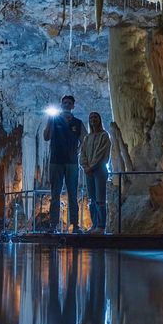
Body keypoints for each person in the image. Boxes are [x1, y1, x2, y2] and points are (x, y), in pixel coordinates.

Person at [43, 94, 85, 232]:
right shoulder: (54, 120)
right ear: (62, 105)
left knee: (73, 194)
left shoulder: (78, 123)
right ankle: (53, 225)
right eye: (64, 103)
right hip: (56, 161)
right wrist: (50, 120)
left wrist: (77, 151)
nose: (66, 105)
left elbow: (84, 139)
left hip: (72, 162)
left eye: (69, 103)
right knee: (55, 194)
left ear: (73, 106)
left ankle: (75, 225)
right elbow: (46, 137)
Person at [78, 112, 111, 233]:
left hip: (100, 170)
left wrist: (91, 167)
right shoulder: (87, 137)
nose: (93, 119)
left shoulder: (104, 135)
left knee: (100, 199)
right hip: (89, 171)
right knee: (92, 199)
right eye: (91, 117)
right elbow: (83, 154)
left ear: (100, 119)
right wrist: (85, 166)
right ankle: (94, 224)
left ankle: (101, 226)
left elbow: (101, 153)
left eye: (95, 117)